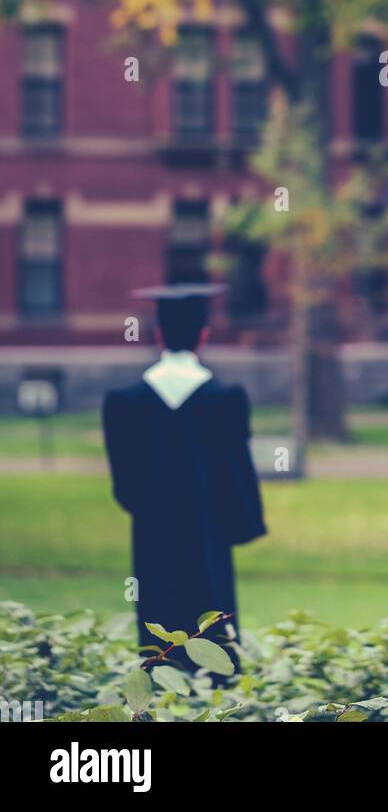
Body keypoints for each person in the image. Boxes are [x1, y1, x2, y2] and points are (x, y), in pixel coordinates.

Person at [102, 284, 266, 662]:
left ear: (158, 335)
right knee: (213, 641)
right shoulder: (226, 400)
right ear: (203, 336)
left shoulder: (124, 404)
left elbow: (125, 488)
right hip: (210, 539)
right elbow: (237, 477)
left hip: (152, 540)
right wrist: (243, 523)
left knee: (160, 647)